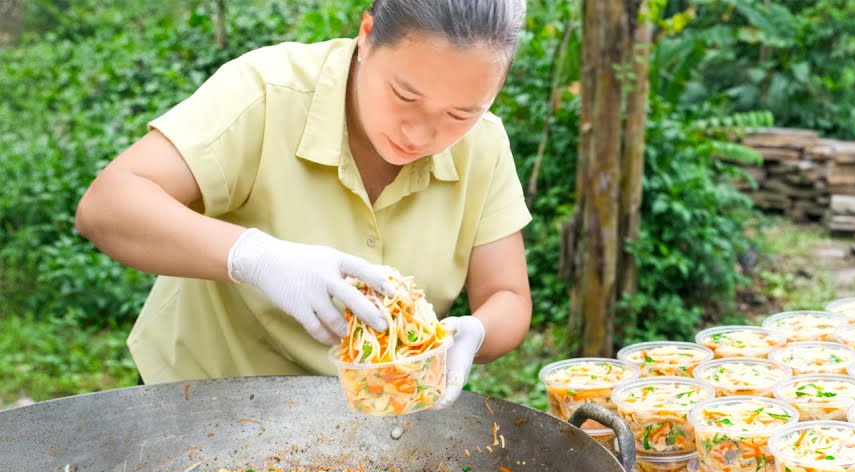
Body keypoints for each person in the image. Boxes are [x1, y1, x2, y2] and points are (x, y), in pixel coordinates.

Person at [75, 0, 532, 407]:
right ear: (367, 37)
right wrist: (255, 257)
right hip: (200, 402)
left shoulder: (484, 146)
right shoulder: (268, 92)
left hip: (367, 417)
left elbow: (506, 295)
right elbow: (109, 205)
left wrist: (472, 334)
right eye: (404, 95)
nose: (420, 133)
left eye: (460, 114)